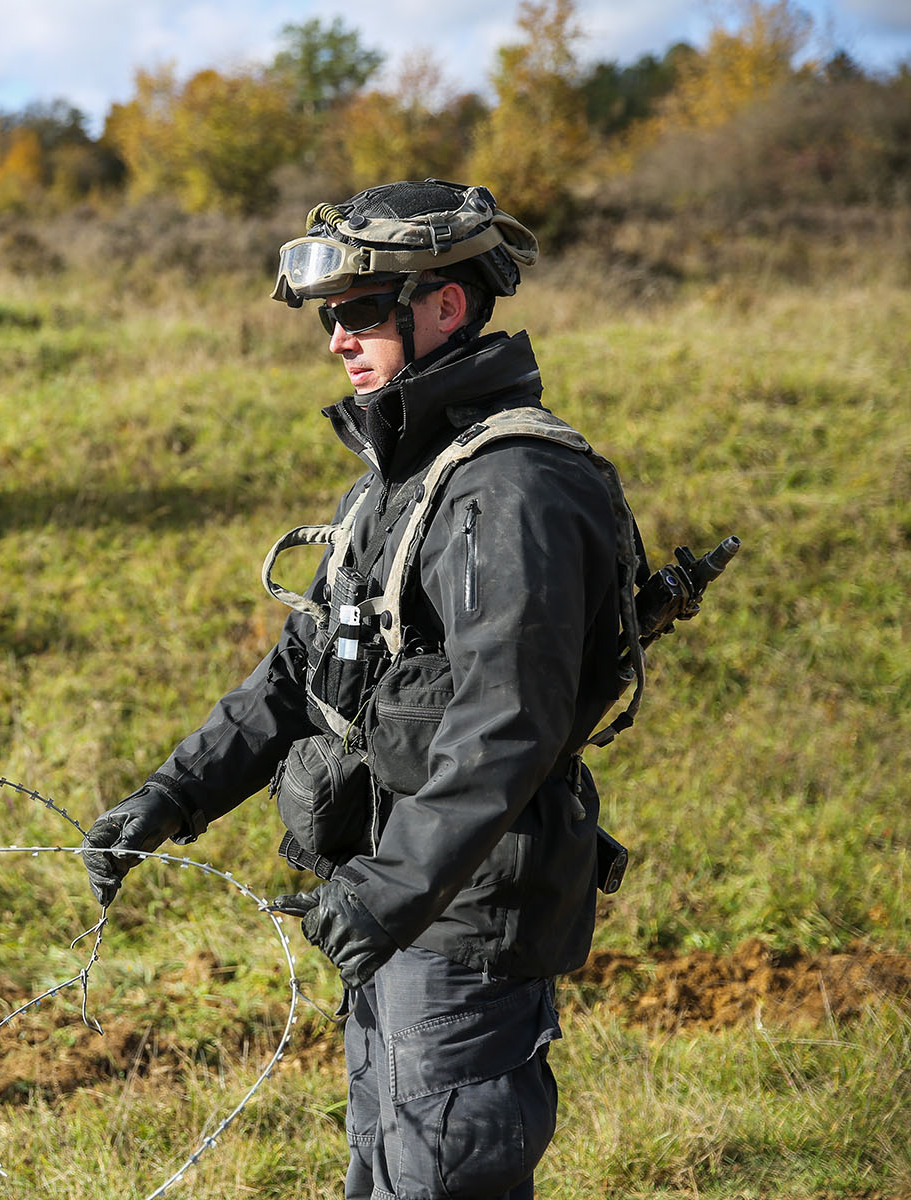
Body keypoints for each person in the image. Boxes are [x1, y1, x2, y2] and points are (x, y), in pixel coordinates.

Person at [82, 179, 639, 1200]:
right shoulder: (400, 476)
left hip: (463, 913)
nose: (337, 338)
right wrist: (171, 796)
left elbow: (509, 723)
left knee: (437, 1180)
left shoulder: (512, 488)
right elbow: (305, 669)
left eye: (361, 310)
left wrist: (389, 892)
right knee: (383, 1177)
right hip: (393, 893)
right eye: (330, 316)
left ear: (446, 307)